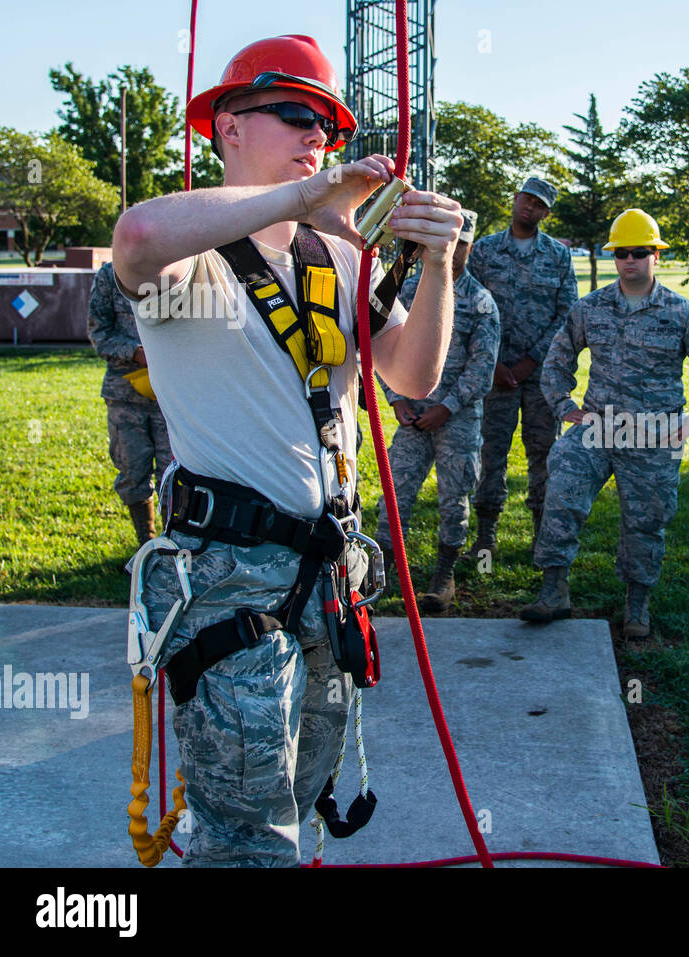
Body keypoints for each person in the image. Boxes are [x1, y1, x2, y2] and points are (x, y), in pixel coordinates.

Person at [112, 34, 461, 865]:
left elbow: (412, 374)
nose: (319, 137)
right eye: (297, 114)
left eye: (329, 127)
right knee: (242, 831)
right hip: (231, 578)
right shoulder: (190, 255)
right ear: (227, 126)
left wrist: (441, 264)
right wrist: (304, 194)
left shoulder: (334, 255)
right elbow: (133, 237)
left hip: (328, 574)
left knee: (299, 801)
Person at [520, 209, 689, 637]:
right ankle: (554, 589)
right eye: (622, 253)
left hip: (656, 434)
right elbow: (558, 357)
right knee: (562, 478)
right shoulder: (591, 308)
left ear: (656, 255)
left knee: (646, 518)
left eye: (640, 252)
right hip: (599, 426)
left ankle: (637, 604)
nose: (630, 260)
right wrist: (563, 405)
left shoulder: (680, 313)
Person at [378, 209, 499, 611]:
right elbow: (382, 342)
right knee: (396, 494)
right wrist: (395, 399)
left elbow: (482, 370)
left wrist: (445, 408)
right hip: (412, 415)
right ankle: (383, 573)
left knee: (453, 496)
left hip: (457, 419)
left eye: (460, 245)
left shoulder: (481, 303)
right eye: (447, 243)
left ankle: (443, 576)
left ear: (468, 247)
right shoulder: (408, 292)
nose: (452, 251)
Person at [464, 177, 578, 557]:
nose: (530, 207)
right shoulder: (483, 251)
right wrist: (492, 361)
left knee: (544, 453)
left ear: (546, 213)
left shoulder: (558, 257)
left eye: (539, 204)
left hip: (541, 375)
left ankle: (542, 534)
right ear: (515, 199)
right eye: (527, 199)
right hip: (493, 373)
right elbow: (470, 306)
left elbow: (567, 315)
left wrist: (531, 361)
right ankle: (486, 538)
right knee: (490, 452)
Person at [87, 261, 173, 546]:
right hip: (125, 395)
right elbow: (99, 333)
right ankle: (145, 544)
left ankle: (174, 543)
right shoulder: (110, 275)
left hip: (172, 395)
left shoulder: (177, 269)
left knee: (173, 475)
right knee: (132, 472)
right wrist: (135, 353)